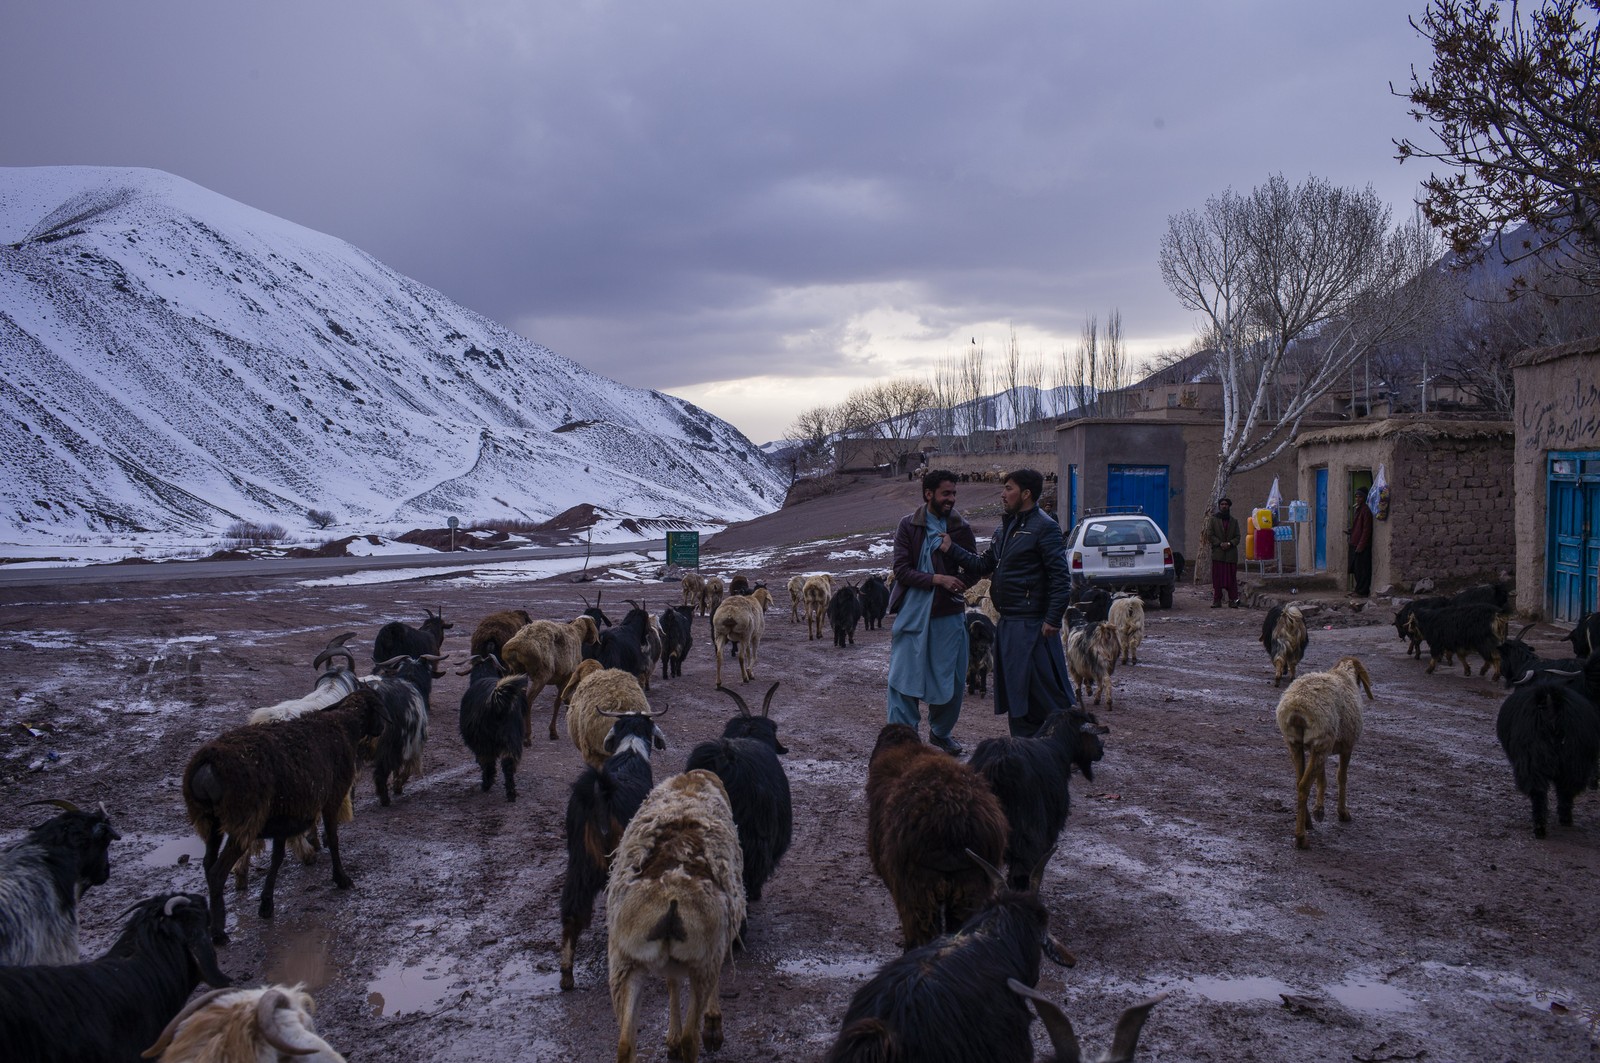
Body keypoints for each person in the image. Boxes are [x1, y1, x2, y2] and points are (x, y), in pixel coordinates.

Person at [937, 468, 1075, 739]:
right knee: (1016, 693)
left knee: (1045, 693)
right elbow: (984, 564)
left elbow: (1061, 578)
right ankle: (1024, 748)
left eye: (1009, 488)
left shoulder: (1045, 527)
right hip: (1009, 624)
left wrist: (1052, 618)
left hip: (1034, 625)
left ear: (1026, 494)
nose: (1002, 494)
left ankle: (1063, 747)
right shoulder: (1005, 529)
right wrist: (951, 548)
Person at [886, 469, 977, 754]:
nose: (951, 499)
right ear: (929, 494)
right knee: (903, 678)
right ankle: (904, 739)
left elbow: (974, 567)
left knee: (949, 678)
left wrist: (958, 578)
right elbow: (901, 570)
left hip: (947, 614)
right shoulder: (909, 526)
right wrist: (937, 580)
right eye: (945, 493)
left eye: (953, 494)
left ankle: (940, 733)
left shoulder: (960, 527)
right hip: (913, 613)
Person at [1206, 497, 1242, 608]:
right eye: (1222, 504)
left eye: (1226, 504)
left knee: (1231, 579)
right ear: (1219, 506)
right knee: (1217, 579)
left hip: (1230, 556)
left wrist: (1230, 544)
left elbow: (1238, 537)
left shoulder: (1234, 521)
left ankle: (1232, 601)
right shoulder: (1213, 520)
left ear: (1229, 506)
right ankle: (1217, 601)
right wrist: (1220, 543)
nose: (1224, 506)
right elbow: (1210, 535)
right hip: (1218, 554)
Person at [1349, 486, 1373, 598]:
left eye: (1360, 497)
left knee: (1362, 570)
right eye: (1356, 496)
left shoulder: (1366, 511)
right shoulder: (1359, 510)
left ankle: (1362, 591)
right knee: (1356, 569)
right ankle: (1358, 590)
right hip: (1355, 543)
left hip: (1361, 546)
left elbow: (1366, 530)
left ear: (1364, 498)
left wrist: (1361, 545)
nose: (1358, 499)